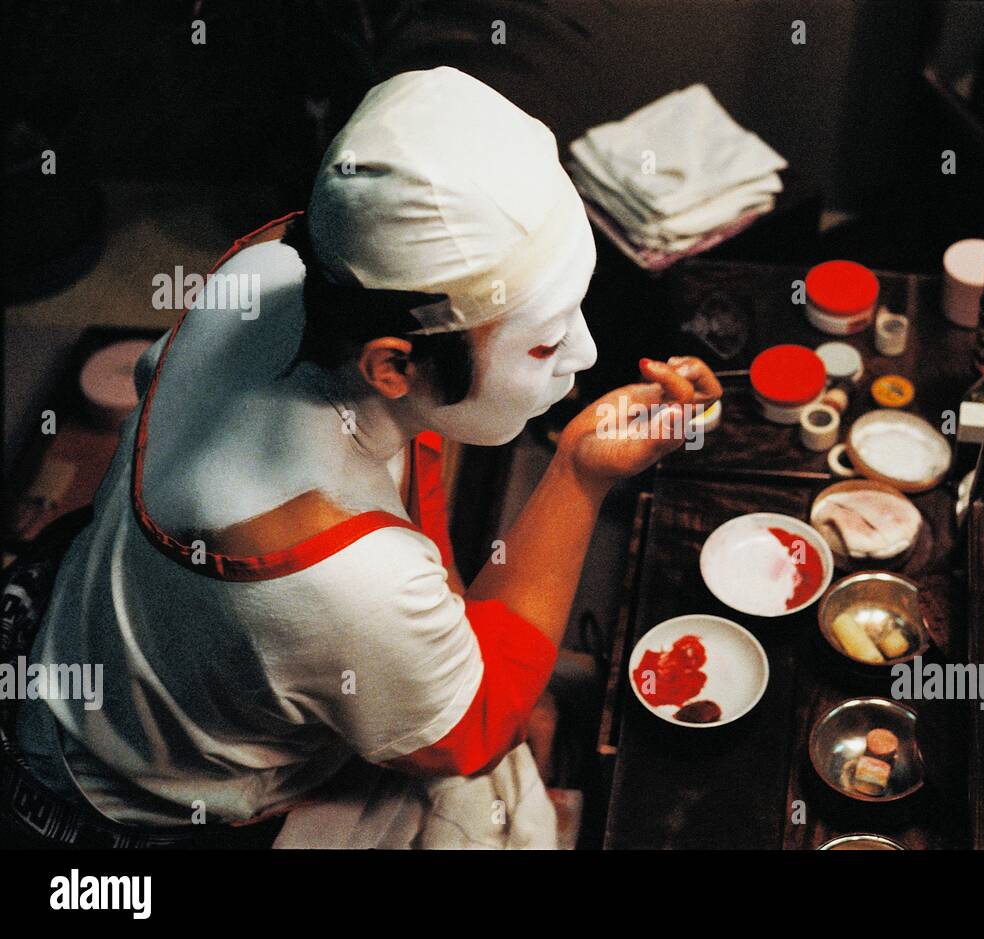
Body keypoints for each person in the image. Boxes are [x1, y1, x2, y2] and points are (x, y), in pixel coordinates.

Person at [13, 67, 720, 848]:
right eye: (547, 340)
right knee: (492, 811)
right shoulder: (344, 576)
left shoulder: (275, 269)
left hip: (121, 642)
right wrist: (580, 474)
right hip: (147, 797)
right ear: (392, 366)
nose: (584, 352)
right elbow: (472, 728)